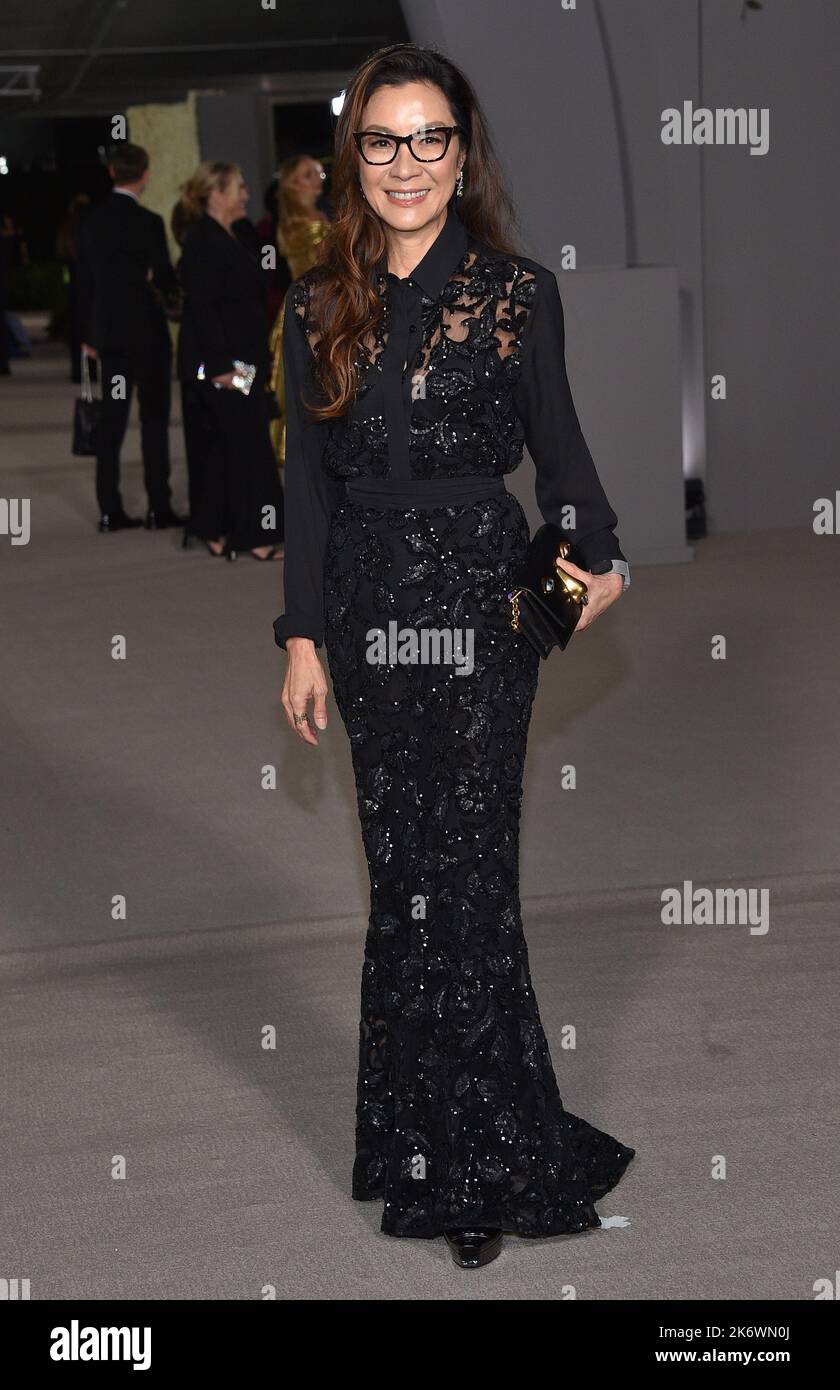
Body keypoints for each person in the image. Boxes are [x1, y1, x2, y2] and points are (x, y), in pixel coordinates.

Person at [274, 42, 635, 1271]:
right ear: (353, 157)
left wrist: (591, 565)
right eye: (384, 140)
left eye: (432, 138)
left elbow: (570, 470)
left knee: (468, 880)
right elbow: (307, 493)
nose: (408, 163)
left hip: (481, 612)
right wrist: (304, 636)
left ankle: (482, 1158)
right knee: (403, 876)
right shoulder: (316, 301)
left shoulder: (520, 295)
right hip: (368, 613)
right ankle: (408, 1141)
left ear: (461, 153)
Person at [175, 162, 284, 560]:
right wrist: (222, 368)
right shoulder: (201, 240)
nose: (246, 194)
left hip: (245, 358)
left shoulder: (238, 234)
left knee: (225, 445)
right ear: (216, 193)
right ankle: (254, 535)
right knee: (248, 443)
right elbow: (202, 309)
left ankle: (209, 526)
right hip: (218, 365)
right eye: (238, 187)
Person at [77, 142, 182, 532]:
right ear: (145, 175)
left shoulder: (90, 220)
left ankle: (110, 509)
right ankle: (159, 506)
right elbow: (165, 277)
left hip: (112, 341)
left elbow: (84, 283)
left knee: (113, 423)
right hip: (149, 337)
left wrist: (87, 335)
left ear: (111, 173)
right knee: (154, 421)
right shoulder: (150, 222)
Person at [267, 156, 331, 465]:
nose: (318, 177)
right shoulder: (308, 223)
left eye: (317, 170)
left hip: (308, 306)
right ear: (294, 184)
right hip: (315, 311)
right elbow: (327, 269)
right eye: (308, 174)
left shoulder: (301, 218)